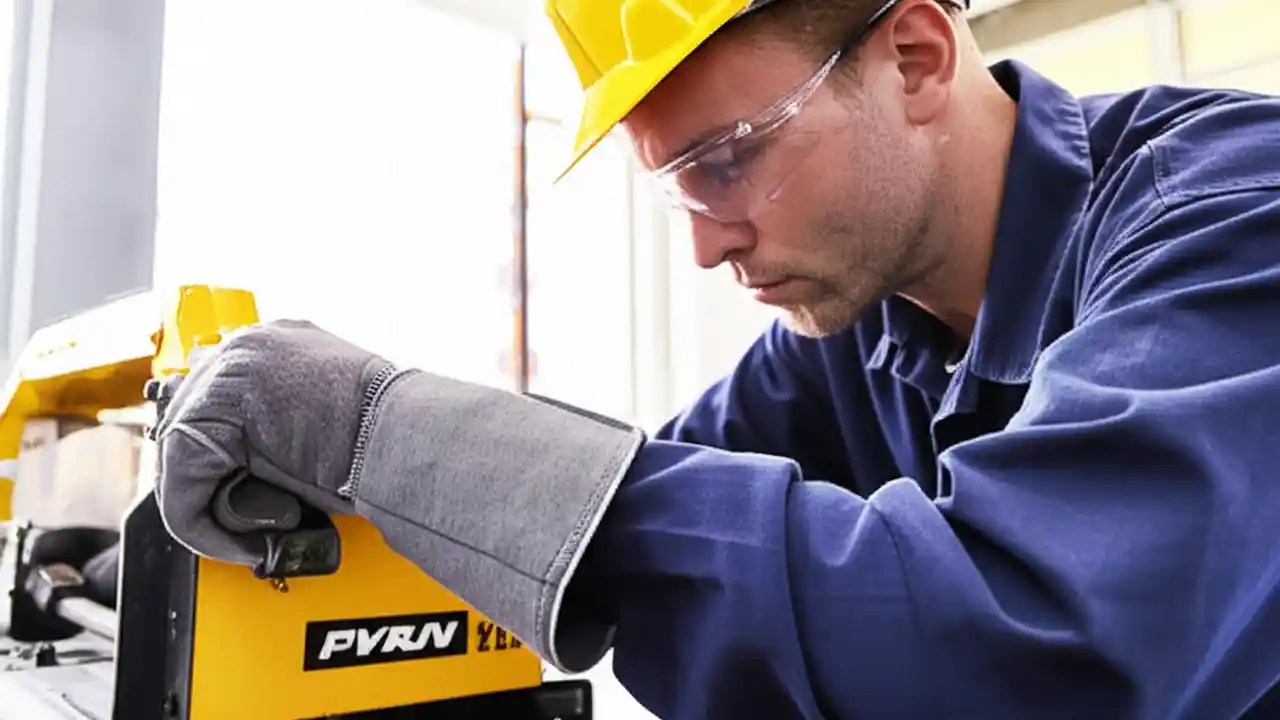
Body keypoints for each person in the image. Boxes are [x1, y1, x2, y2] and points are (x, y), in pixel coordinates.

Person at [151, 0, 1280, 716]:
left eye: (729, 162)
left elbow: (1028, 646)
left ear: (915, 56)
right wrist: (226, 556)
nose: (701, 245)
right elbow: (615, 505)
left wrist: (380, 427)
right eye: (674, 188)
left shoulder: (1232, 215)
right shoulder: (862, 331)